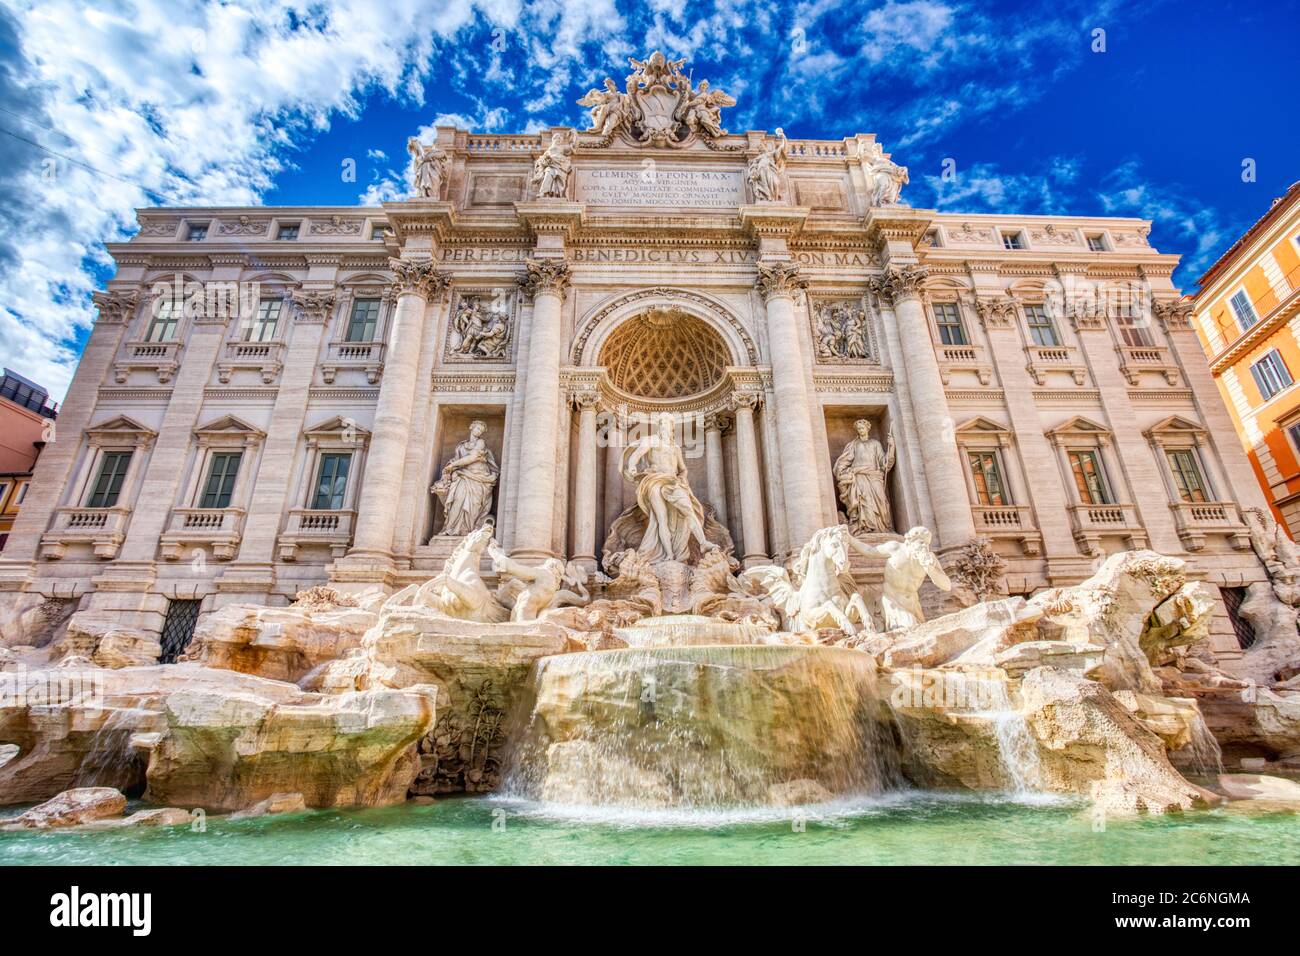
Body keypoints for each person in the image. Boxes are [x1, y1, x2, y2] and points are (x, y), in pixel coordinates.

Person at [621, 413, 715, 563]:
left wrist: (683, 478)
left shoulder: (675, 447)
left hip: (673, 482)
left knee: (688, 510)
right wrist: (632, 467)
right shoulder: (652, 441)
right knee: (661, 519)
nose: (666, 426)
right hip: (655, 481)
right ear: (659, 426)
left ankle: (703, 543)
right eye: (663, 423)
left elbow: (683, 469)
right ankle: (669, 555)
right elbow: (636, 455)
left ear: (672, 427)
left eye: (669, 423)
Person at [432, 420, 498, 536]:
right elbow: (457, 459)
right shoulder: (461, 445)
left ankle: (468, 531)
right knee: (458, 500)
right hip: (463, 475)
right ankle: (451, 529)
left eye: (481, 431)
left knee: (474, 505)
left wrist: (453, 465)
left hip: (479, 477)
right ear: (471, 427)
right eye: (477, 429)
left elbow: (472, 458)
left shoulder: (481, 442)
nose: (479, 432)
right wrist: (450, 467)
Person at [833, 419, 895, 534]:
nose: (861, 430)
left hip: (874, 476)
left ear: (868, 428)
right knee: (863, 500)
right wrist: (844, 472)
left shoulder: (875, 444)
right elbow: (843, 462)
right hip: (859, 477)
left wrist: (891, 447)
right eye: (859, 429)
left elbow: (884, 463)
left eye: (862, 428)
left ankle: (881, 528)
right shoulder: (853, 445)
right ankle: (865, 528)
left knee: (881, 501)